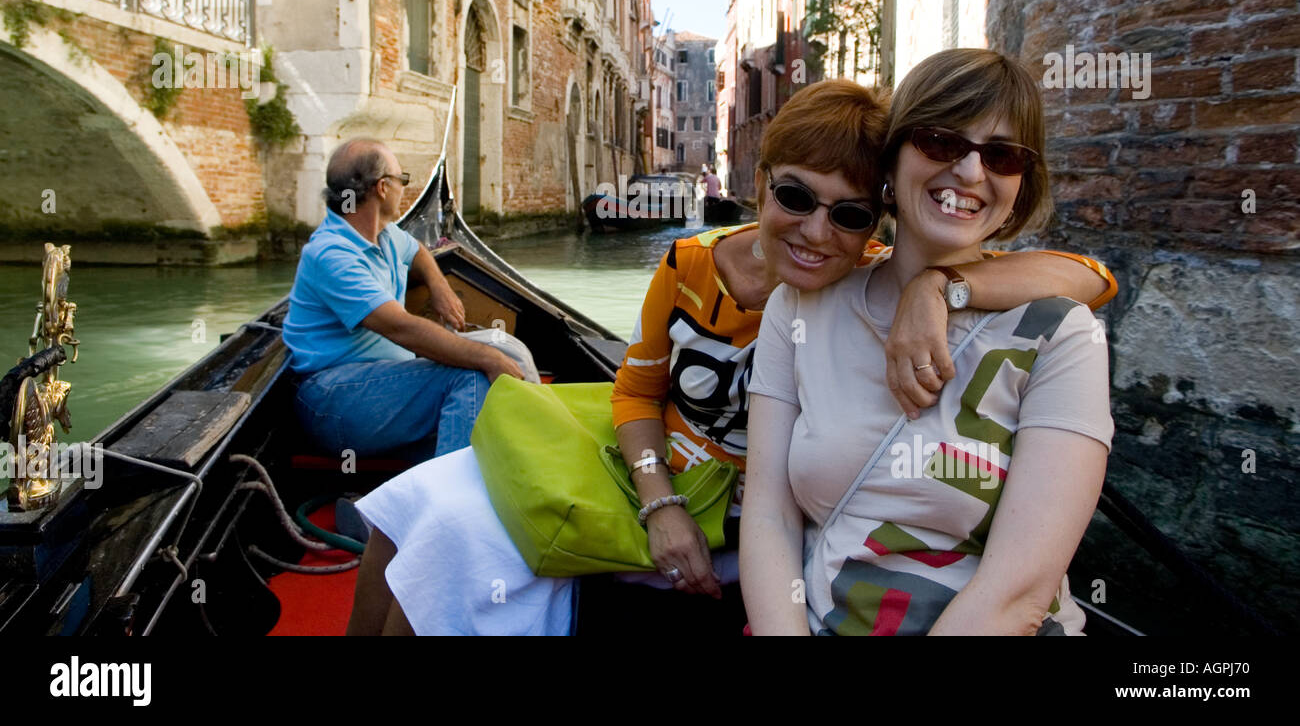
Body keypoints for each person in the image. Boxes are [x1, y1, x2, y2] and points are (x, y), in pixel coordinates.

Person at [346, 80, 1114, 634]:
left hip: (738, 501)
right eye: (794, 199)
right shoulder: (694, 263)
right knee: (414, 504)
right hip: (659, 469)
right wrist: (660, 501)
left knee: (454, 529)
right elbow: (637, 393)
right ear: (757, 187)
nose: (817, 232)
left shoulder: (871, 271)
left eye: (846, 213)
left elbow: (1090, 278)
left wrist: (940, 285)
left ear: (874, 216)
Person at [741, 49, 1113, 636]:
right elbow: (769, 517)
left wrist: (939, 287)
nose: (969, 173)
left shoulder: (1062, 335)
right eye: (941, 141)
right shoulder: (799, 307)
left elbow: (1017, 592)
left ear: (1021, 182)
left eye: (1003, 155)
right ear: (891, 160)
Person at [283, 138, 524, 464]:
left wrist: (439, 285)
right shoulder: (330, 253)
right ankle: (446, 504)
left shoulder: (386, 234)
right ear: (383, 188)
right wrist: (486, 358)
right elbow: (400, 327)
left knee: (508, 351)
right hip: (332, 400)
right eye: (403, 180)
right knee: (472, 373)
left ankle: (515, 455)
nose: (405, 189)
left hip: (387, 381)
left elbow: (419, 252)